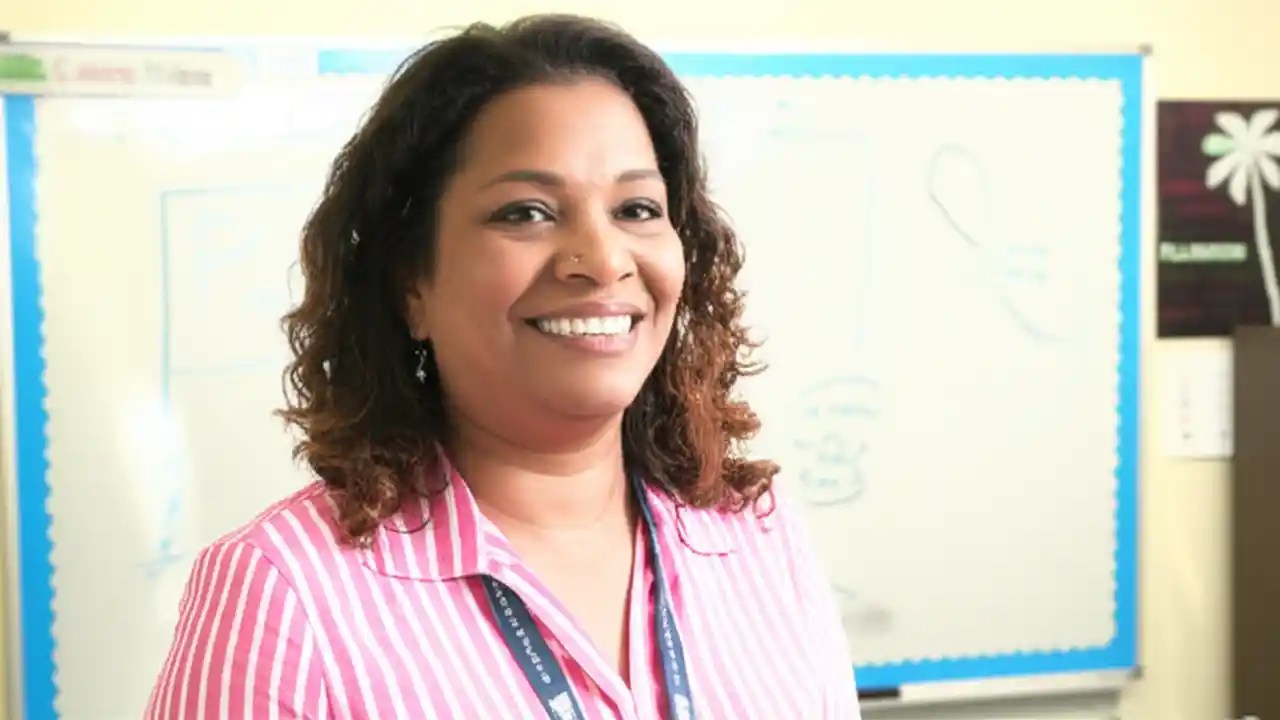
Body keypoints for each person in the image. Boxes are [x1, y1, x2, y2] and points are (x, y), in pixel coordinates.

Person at [145, 13, 860, 720]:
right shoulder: (285, 592)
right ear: (411, 285)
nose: (604, 259)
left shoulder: (756, 537)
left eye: (637, 207)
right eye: (525, 213)